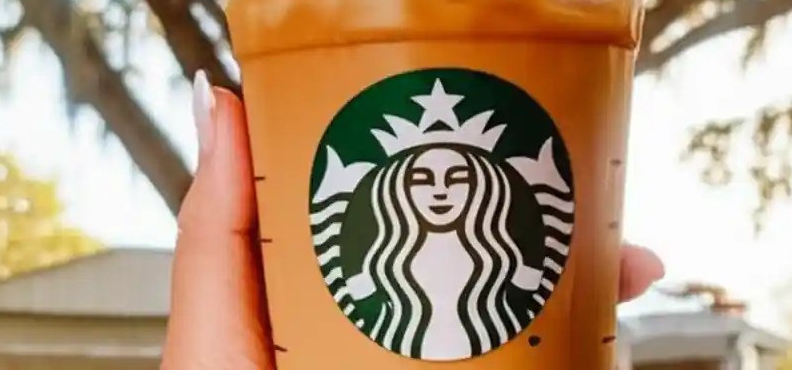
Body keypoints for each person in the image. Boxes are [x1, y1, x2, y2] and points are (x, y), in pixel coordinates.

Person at [161, 73, 667, 369]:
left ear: (485, 187)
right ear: (396, 189)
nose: (440, 191)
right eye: (422, 178)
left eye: (458, 178)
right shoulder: (372, 274)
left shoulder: (515, 271)